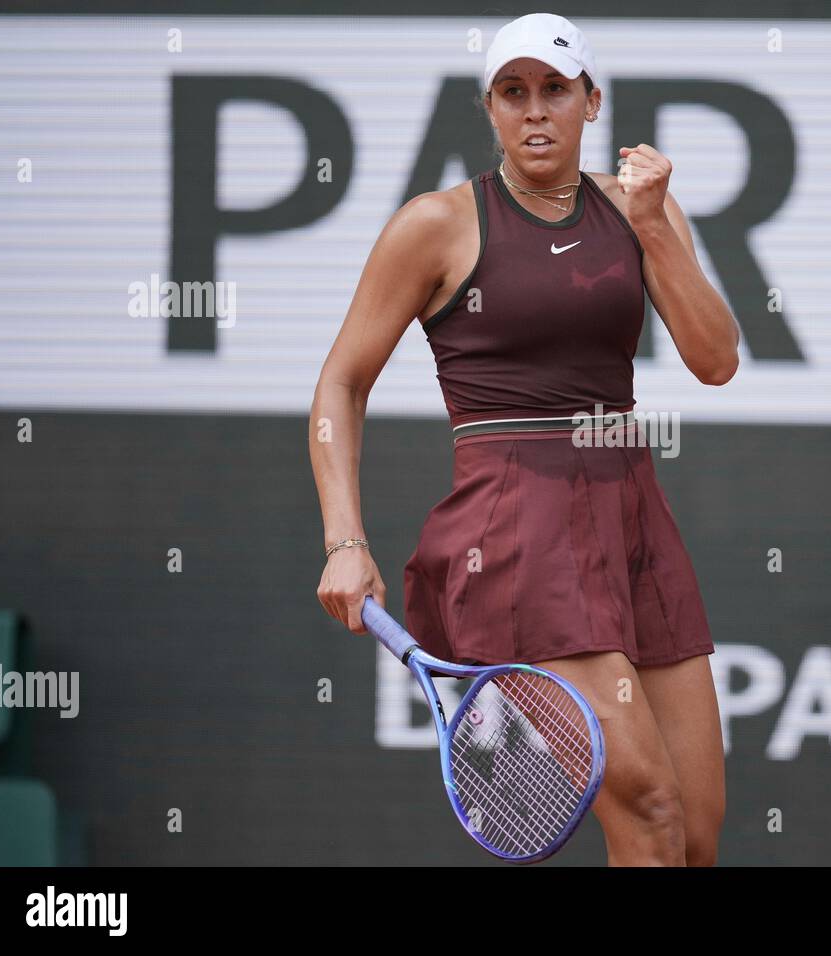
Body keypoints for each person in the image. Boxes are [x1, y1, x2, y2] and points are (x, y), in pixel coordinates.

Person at [310, 12, 740, 866]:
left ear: (591, 101)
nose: (534, 111)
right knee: (649, 812)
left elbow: (716, 359)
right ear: (491, 108)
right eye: (513, 94)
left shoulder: (639, 211)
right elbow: (340, 384)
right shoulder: (435, 224)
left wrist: (653, 225)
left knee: (694, 835)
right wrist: (344, 540)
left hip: (631, 519)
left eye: (553, 90)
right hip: (517, 534)